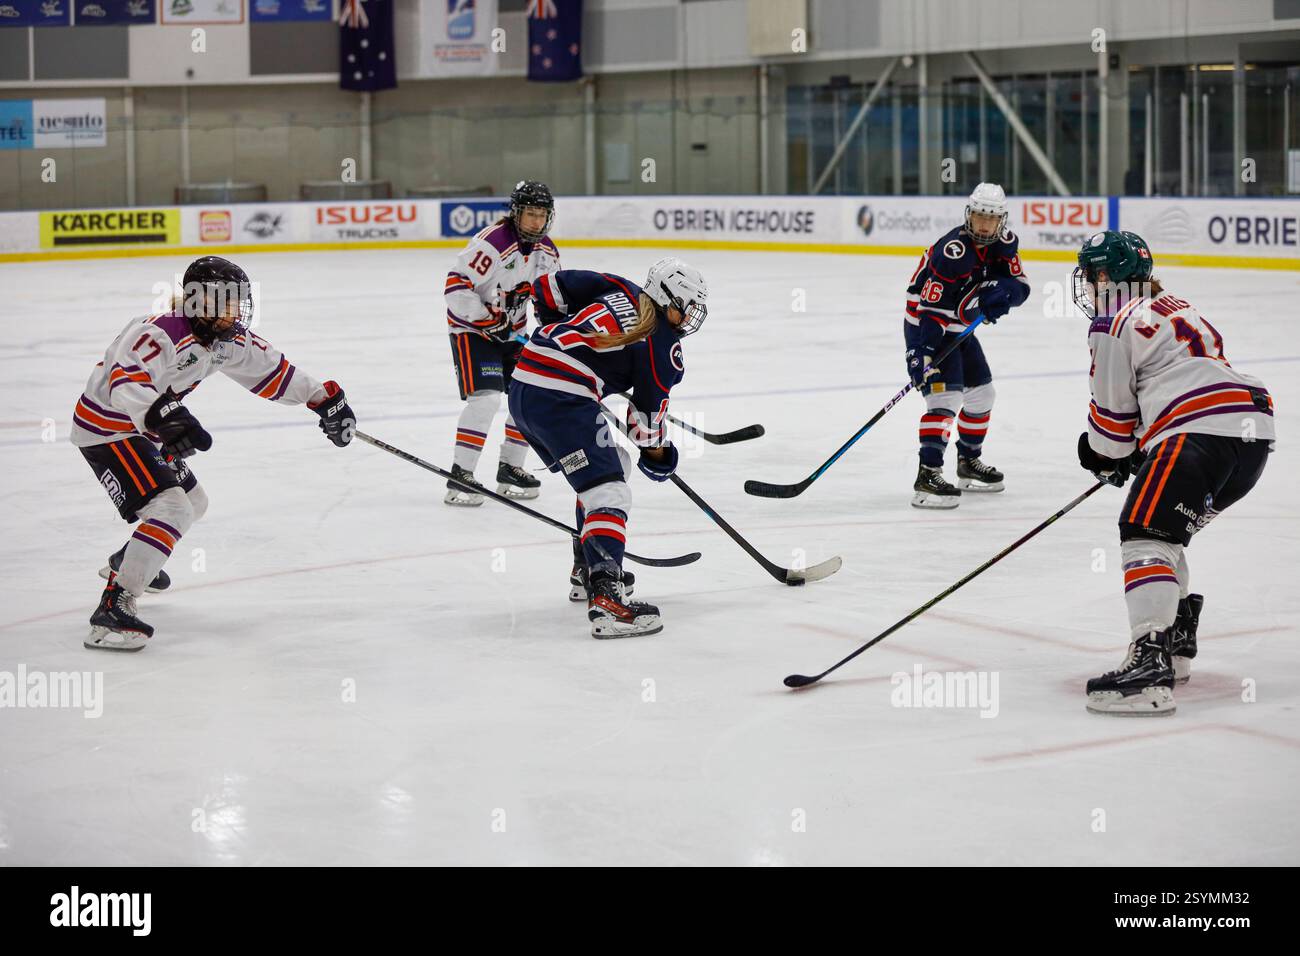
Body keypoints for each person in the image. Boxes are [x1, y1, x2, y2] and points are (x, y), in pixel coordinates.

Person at [73, 256, 355, 651]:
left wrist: (322, 399)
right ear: (198, 301)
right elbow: (126, 375)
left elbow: (273, 371)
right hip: (108, 429)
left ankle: (129, 561)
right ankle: (112, 609)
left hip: (144, 430)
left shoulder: (224, 340)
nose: (236, 312)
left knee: (194, 501)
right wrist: (161, 415)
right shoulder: (161, 332)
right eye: (227, 303)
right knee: (172, 509)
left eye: (239, 303)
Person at [1073, 230, 1274, 715]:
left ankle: (1148, 666)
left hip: (1197, 432)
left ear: (1104, 276)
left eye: (1090, 273)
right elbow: (1186, 376)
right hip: (1252, 436)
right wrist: (1142, 450)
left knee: (1143, 534)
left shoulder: (1111, 322)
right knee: (1166, 535)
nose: (1087, 284)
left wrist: (1102, 454)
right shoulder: (1177, 305)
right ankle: (1176, 645)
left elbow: (1113, 425)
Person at [507, 258, 707, 638]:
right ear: (667, 301)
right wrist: (661, 457)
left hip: (523, 386)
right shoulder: (662, 346)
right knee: (609, 490)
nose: (687, 318)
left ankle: (587, 566)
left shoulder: (617, 286)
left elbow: (548, 288)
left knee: (614, 463)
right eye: (685, 308)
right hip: (559, 398)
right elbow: (646, 427)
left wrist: (569, 354)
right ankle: (608, 599)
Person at [904, 182, 1030, 508]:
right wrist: (922, 353)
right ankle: (928, 474)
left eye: (991, 218)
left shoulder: (1004, 245)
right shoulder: (953, 252)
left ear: (1002, 220)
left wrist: (1003, 293)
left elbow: (1022, 286)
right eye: (979, 216)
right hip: (927, 327)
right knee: (946, 396)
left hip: (961, 328)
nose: (984, 224)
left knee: (982, 394)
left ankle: (968, 462)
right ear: (969, 215)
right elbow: (930, 312)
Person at [443, 180, 560, 505]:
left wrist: (558, 333)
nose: (536, 221)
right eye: (530, 214)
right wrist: (486, 318)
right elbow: (455, 287)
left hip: (513, 332)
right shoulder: (491, 245)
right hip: (473, 332)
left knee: (530, 398)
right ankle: (460, 475)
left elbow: (552, 300)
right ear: (516, 213)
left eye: (542, 214)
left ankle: (510, 467)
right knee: (486, 400)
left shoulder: (547, 252)